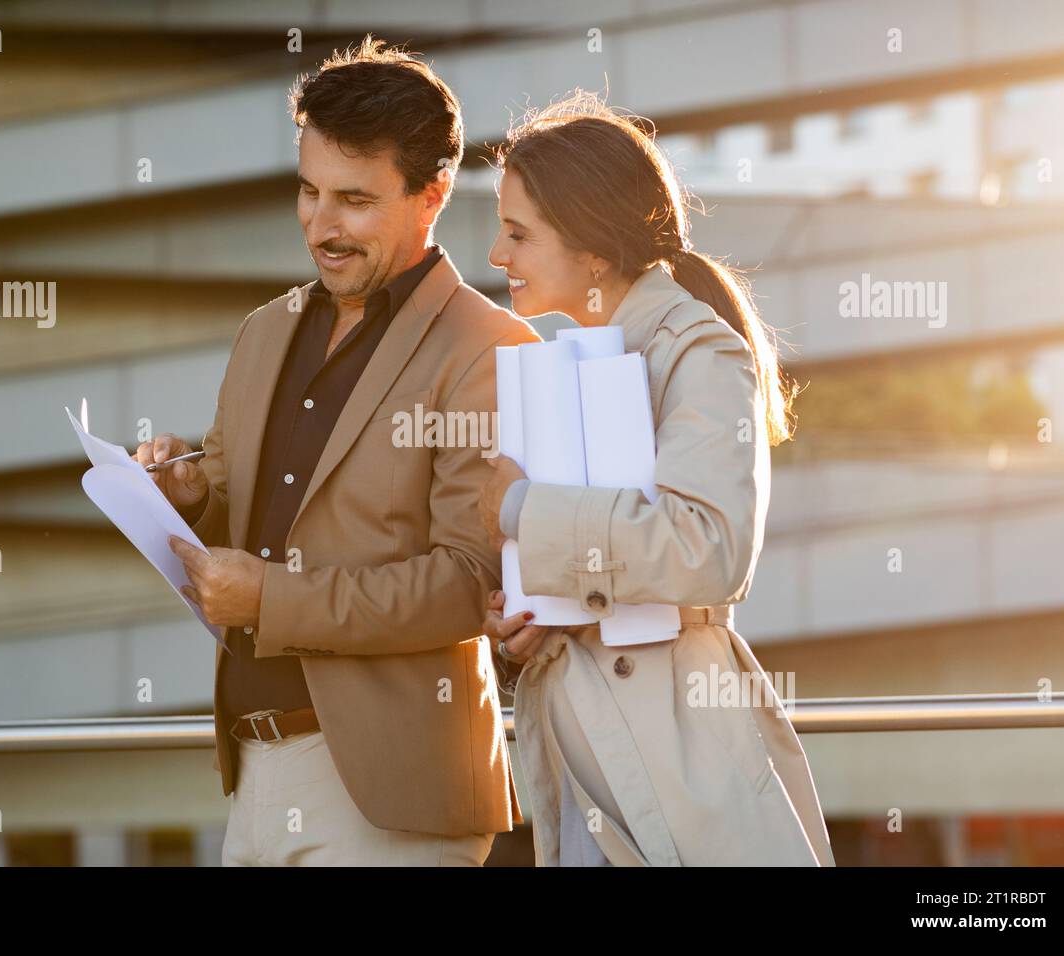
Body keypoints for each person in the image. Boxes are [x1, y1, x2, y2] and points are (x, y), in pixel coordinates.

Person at [137, 37, 538, 866]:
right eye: (309, 191)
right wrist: (186, 491)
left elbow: (472, 582)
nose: (322, 225)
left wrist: (271, 601)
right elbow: (239, 490)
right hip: (251, 770)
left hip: (391, 794)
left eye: (353, 200)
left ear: (431, 196)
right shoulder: (265, 330)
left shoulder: (490, 347)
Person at [478, 92, 835, 866]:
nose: (498, 256)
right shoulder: (572, 368)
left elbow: (708, 550)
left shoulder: (700, 353)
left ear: (593, 248)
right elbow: (603, 566)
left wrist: (517, 508)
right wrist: (530, 626)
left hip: (679, 756)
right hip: (593, 767)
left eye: (518, 233)